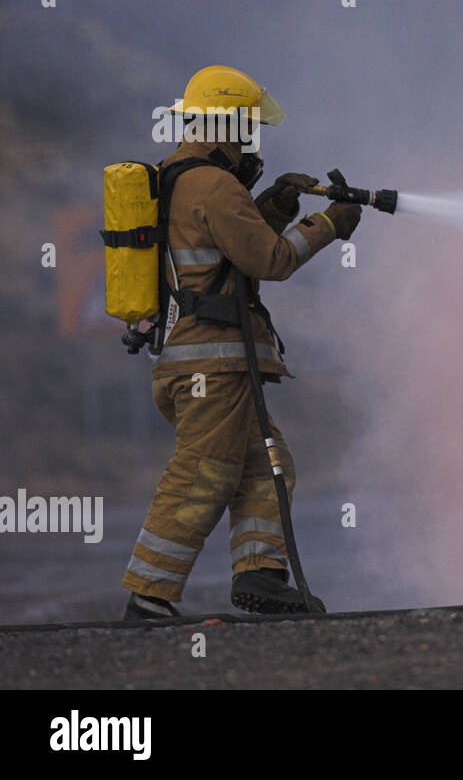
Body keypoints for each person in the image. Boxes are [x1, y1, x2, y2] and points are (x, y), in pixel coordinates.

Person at [121, 65, 360, 620]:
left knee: (265, 463)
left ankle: (261, 574)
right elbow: (268, 260)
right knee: (203, 470)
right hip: (214, 360)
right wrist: (330, 223)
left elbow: (221, 249)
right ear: (224, 123)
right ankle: (148, 595)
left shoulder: (174, 177)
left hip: (195, 358)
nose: (251, 141)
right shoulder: (214, 184)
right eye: (247, 127)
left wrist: (274, 206)